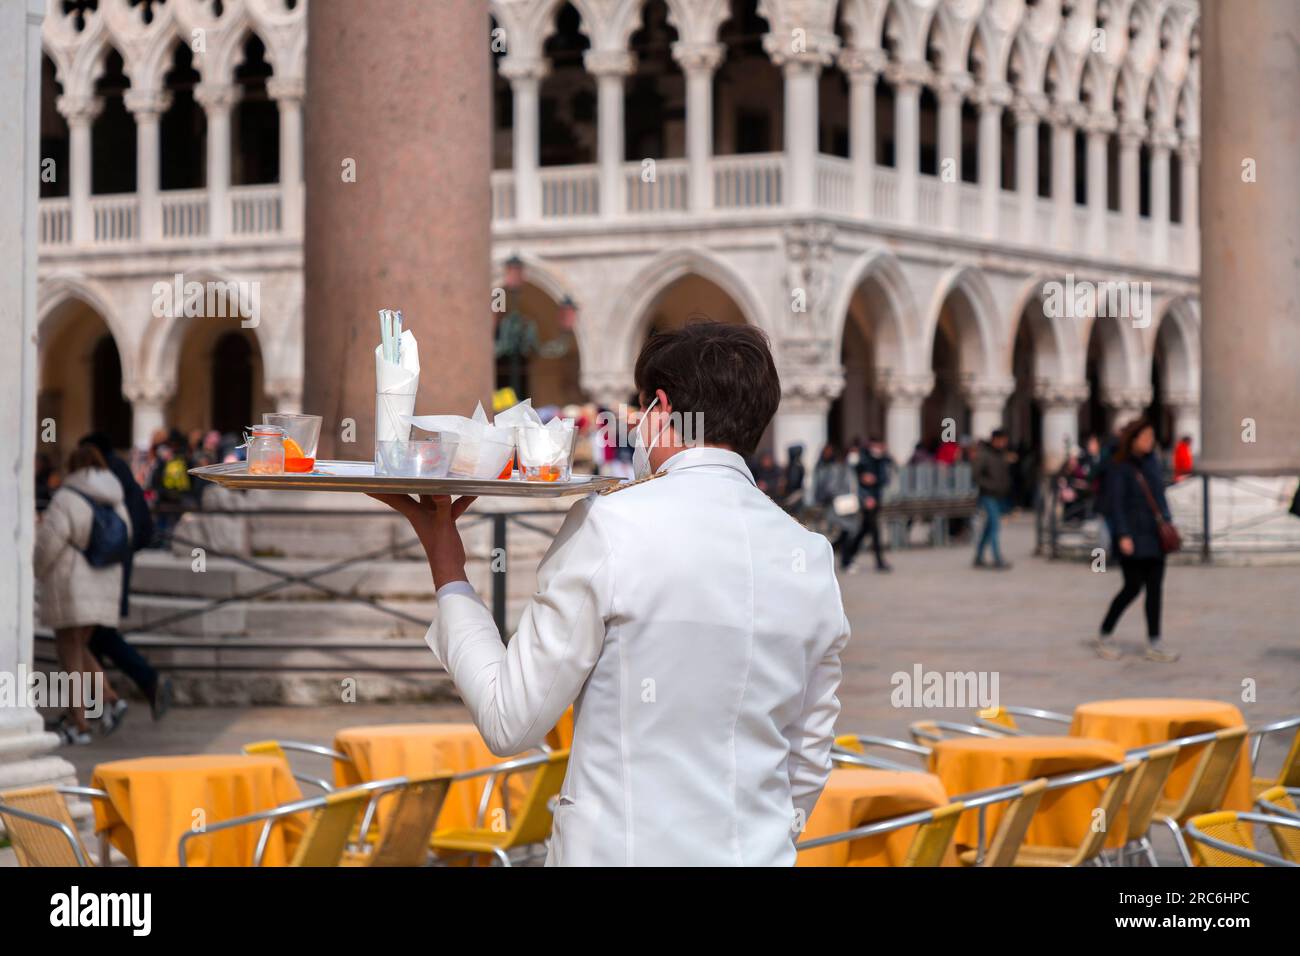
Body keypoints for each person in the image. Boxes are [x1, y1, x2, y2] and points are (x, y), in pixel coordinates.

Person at [371, 322, 850, 866]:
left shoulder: (611, 525)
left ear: (661, 408)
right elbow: (808, 757)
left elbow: (510, 720)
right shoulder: (810, 556)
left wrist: (449, 569)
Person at [33, 445, 132, 744]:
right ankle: (110, 699)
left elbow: (49, 543)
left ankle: (80, 722)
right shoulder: (116, 499)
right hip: (103, 581)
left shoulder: (68, 497)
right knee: (79, 646)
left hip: (71, 582)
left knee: (69, 652)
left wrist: (34, 570)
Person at [80, 434, 174, 721]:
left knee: (96, 634)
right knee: (94, 636)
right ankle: (99, 704)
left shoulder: (105, 476)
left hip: (105, 565)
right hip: (115, 562)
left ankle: (136, 686)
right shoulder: (118, 473)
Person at [1097, 418, 1178, 663]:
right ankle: (1105, 632)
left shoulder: (1153, 462)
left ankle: (1155, 641)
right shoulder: (1119, 466)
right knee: (1132, 586)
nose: (1149, 442)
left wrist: (1167, 521)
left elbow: (1160, 495)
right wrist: (1122, 535)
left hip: (1154, 535)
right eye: (1145, 437)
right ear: (1133, 439)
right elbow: (1116, 504)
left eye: (1151, 437)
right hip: (1132, 535)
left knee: (1155, 589)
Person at [841, 436, 892, 573]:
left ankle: (848, 556)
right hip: (867, 501)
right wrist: (866, 497)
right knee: (874, 531)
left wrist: (874, 479)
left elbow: (885, 479)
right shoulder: (861, 460)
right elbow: (856, 482)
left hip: (876, 499)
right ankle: (879, 562)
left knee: (865, 529)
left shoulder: (882, 460)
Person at [972, 428, 1014, 569]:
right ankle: (998, 559)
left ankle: (978, 557)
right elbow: (975, 476)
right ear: (995, 440)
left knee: (989, 527)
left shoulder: (1001, 455)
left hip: (1000, 496)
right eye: (1002, 440)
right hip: (987, 495)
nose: (1003, 443)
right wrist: (990, 486)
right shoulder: (983, 455)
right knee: (995, 526)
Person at [781, 444, 807, 515]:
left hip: (794, 495)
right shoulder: (796, 465)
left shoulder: (796, 466)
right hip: (794, 494)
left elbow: (793, 482)